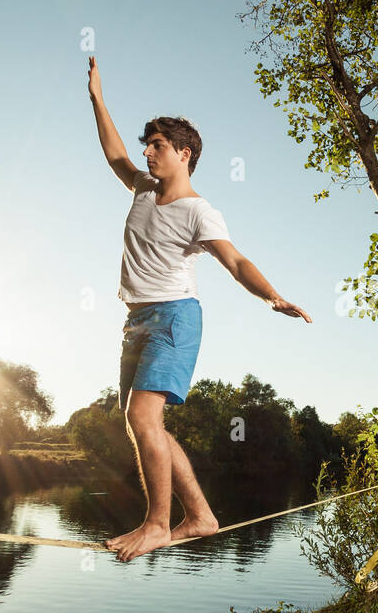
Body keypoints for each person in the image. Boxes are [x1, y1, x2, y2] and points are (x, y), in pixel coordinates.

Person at [87, 57, 313, 561]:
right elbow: (114, 154)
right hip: (136, 322)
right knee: (143, 424)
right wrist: (99, 99)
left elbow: (234, 260)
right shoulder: (143, 189)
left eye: (158, 146)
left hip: (174, 318)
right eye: (147, 144)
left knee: (142, 417)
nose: (147, 153)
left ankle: (156, 525)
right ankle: (202, 517)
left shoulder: (199, 211)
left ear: (184, 154)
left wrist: (272, 295)